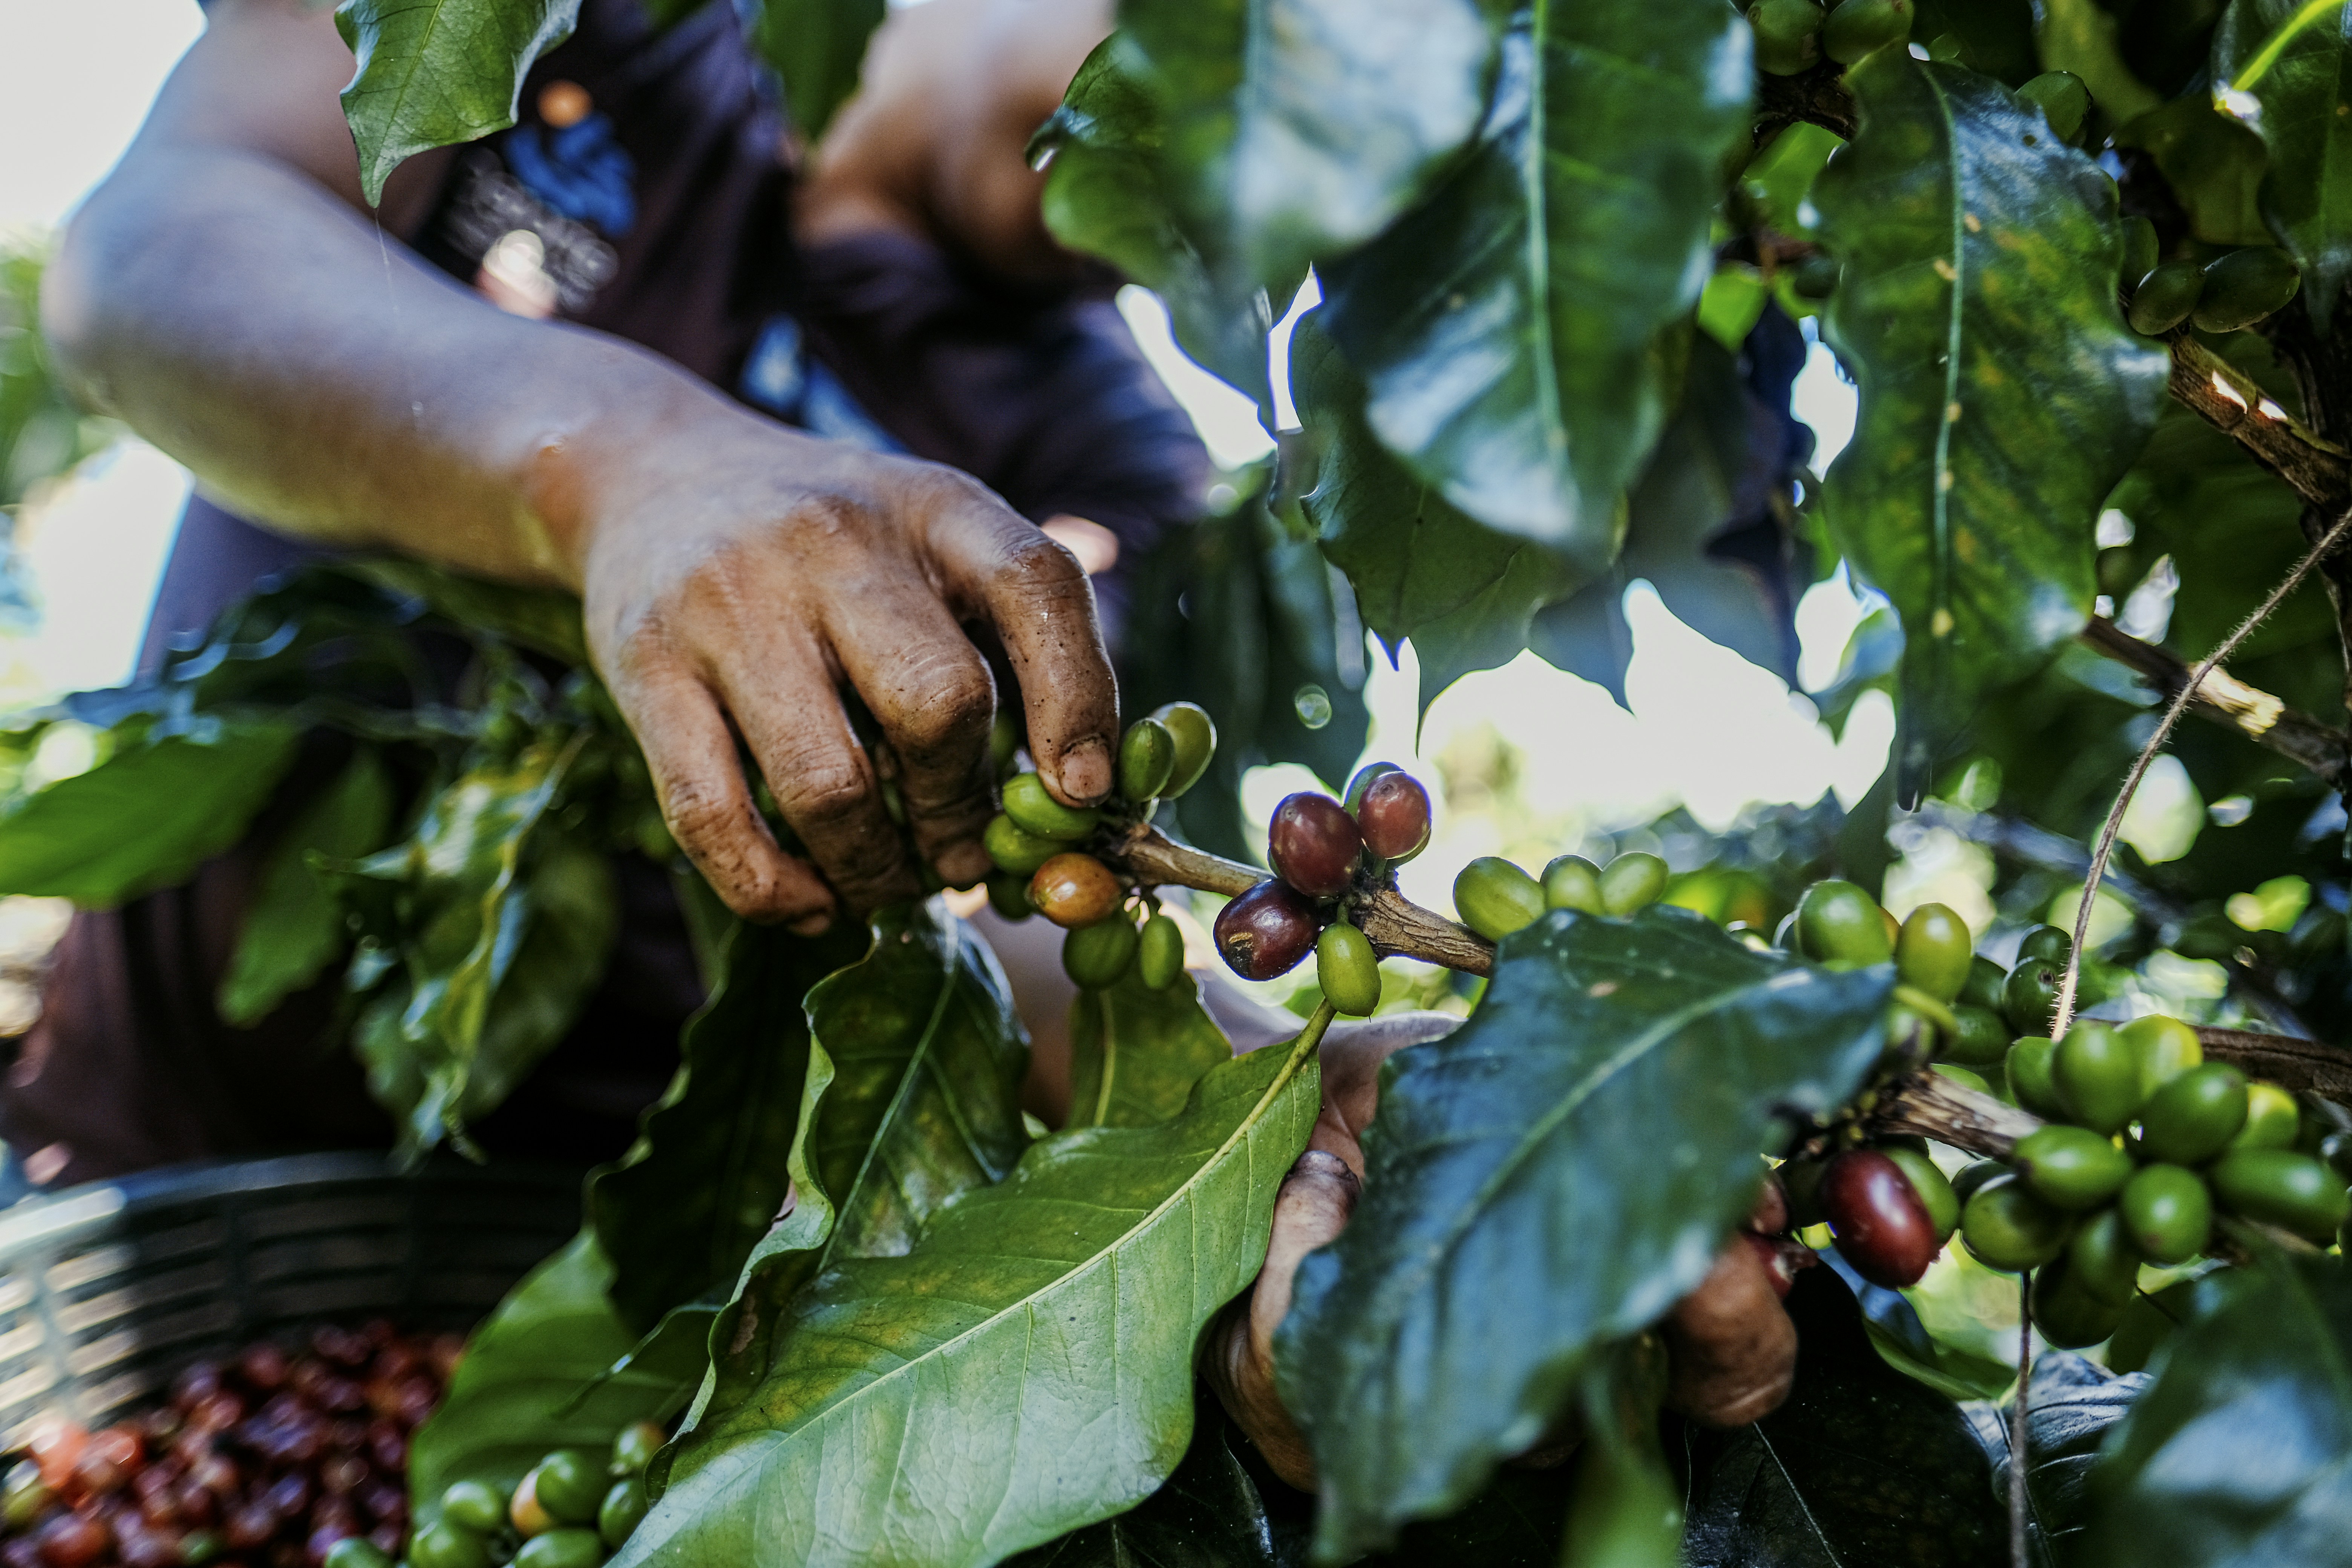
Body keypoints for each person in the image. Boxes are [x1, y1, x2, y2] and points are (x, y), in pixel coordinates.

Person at [28, 0, 1800, 1488]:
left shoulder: (1106, 464)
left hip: (594, 1300)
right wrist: (627, 460)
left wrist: (1264, 1114)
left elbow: (1025, 877)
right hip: (131, 1204)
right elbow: (156, 246)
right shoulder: (603, 22)